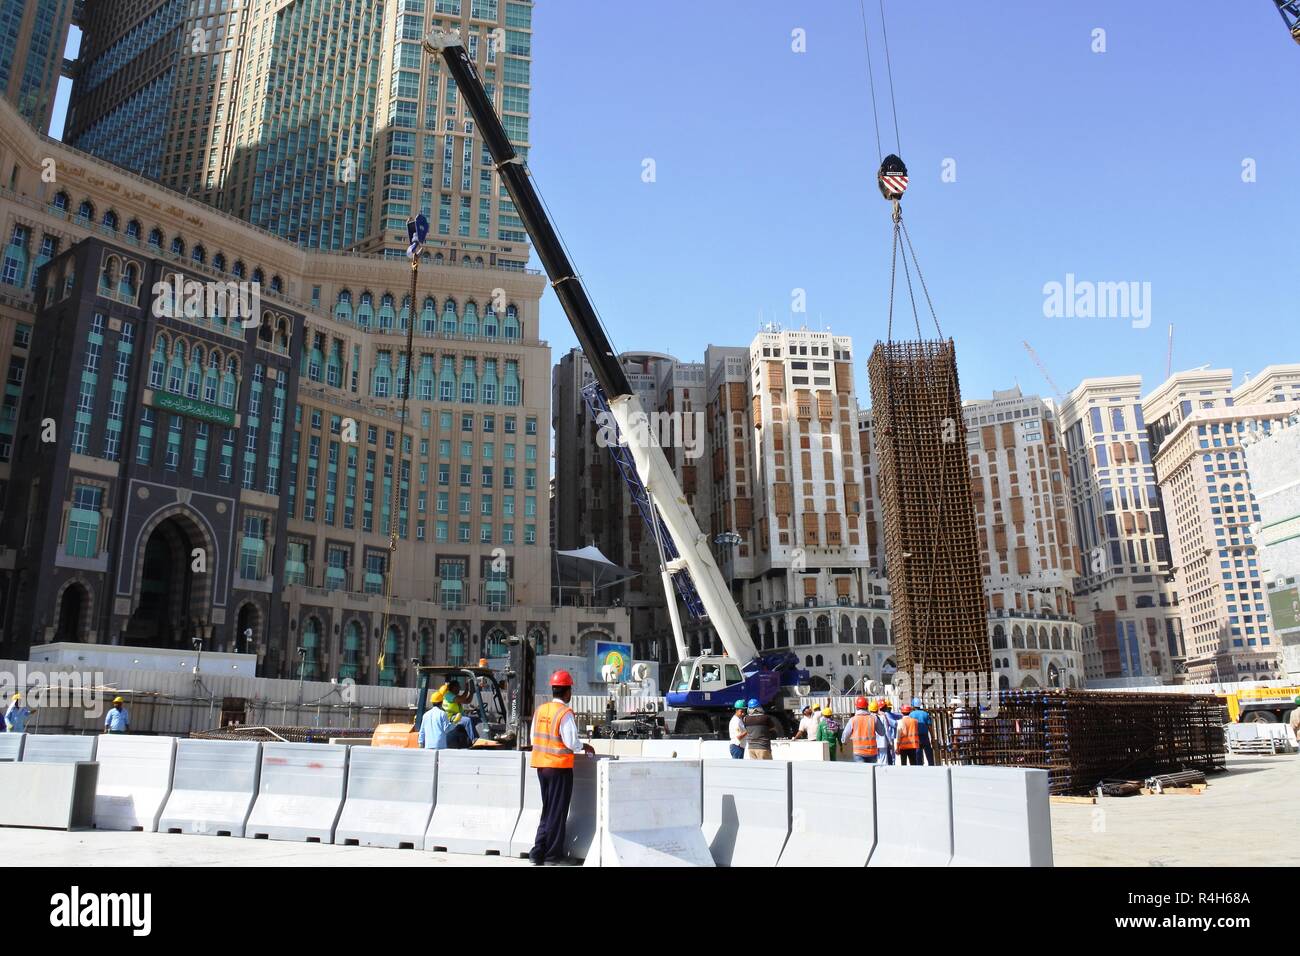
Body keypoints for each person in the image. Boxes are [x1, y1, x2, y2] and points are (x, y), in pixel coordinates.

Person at [529, 669, 594, 866]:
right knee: (557, 811)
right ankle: (552, 856)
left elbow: (533, 738)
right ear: (567, 692)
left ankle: (537, 852)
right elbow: (571, 742)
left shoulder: (541, 710)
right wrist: (586, 746)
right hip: (559, 767)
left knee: (548, 810)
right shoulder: (565, 713)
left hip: (542, 766)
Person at [841, 696, 880, 763]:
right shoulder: (873, 718)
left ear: (856, 707)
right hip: (872, 753)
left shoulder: (853, 720)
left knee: (862, 772)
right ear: (867, 706)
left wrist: (844, 742)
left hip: (858, 753)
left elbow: (845, 736)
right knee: (871, 772)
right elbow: (882, 732)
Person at [910, 696, 935, 765]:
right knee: (929, 753)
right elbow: (929, 726)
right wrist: (932, 737)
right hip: (925, 736)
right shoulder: (925, 714)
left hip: (916, 737)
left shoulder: (911, 714)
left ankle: (920, 768)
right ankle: (932, 766)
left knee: (918, 754)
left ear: (913, 705)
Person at [876, 698, 898, 765]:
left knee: (880, 758)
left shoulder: (874, 716)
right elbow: (888, 729)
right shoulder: (884, 715)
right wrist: (890, 742)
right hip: (885, 739)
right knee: (887, 757)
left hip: (878, 740)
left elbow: (896, 715)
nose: (889, 708)